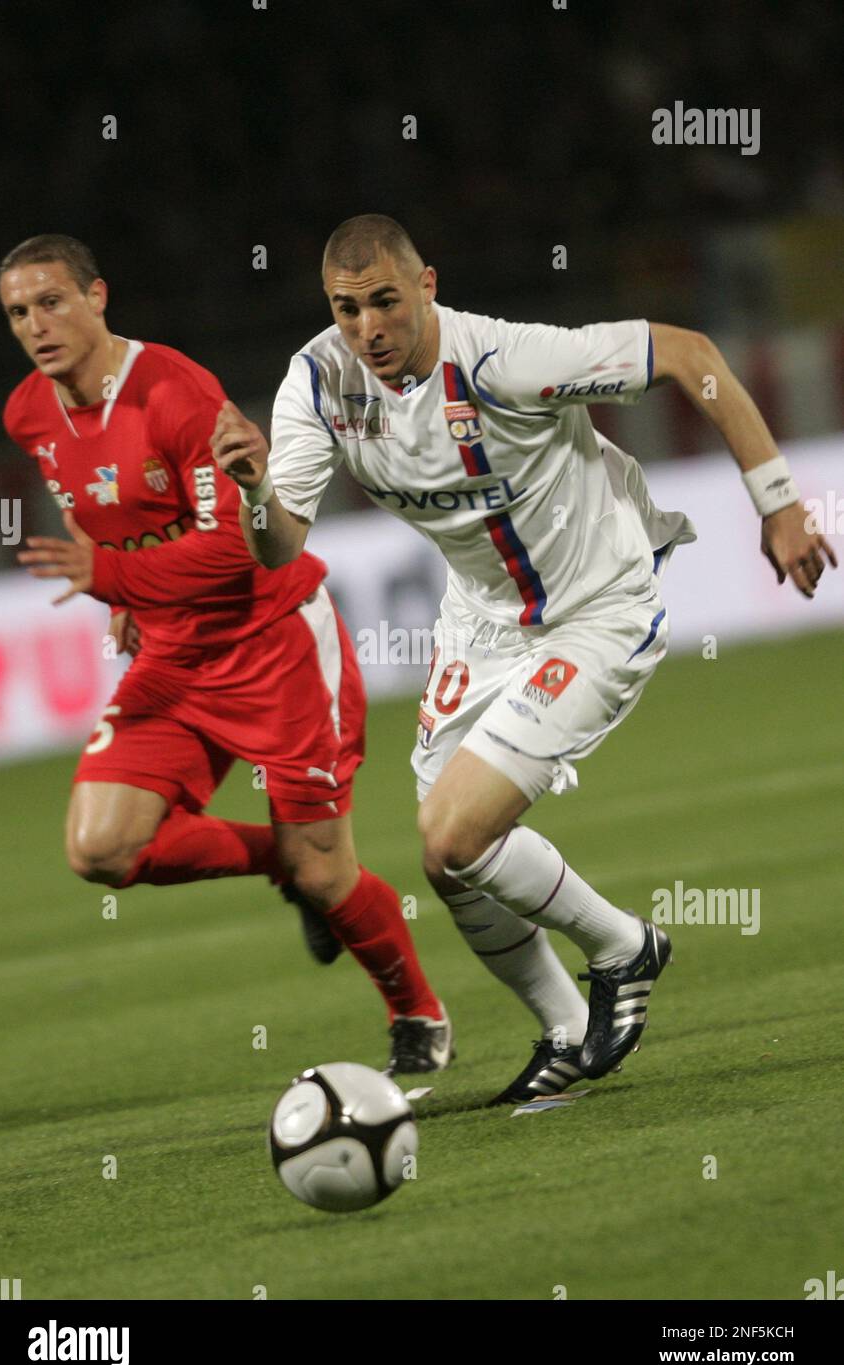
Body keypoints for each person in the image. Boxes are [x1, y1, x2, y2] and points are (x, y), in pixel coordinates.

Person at [211, 214, 838, 1105]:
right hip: (482, 625)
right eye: (348, 310)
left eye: (386, 301)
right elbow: (279, 549)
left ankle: (626, 947)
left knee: (454, 833)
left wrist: (778, 501)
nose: (368, 329)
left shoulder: (507, 362)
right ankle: (566, 1031)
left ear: (427, 285)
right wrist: (254, 489)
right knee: (448, 860)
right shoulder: (317, 383)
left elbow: (690, 351)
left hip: (596, 610)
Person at [1, 232, 452, 1074]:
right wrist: (125, 592)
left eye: (52, 302)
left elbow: (237, 547)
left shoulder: (174, 392)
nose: (36, 324)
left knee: (330, 875)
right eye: (19, 312)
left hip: (273, 647)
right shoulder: (28, 412)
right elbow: (89, 506)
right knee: (101, 851)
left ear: (98, 298)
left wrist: (115, 573)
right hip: (173, 660)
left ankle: (418, 1015)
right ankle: (284, 864)